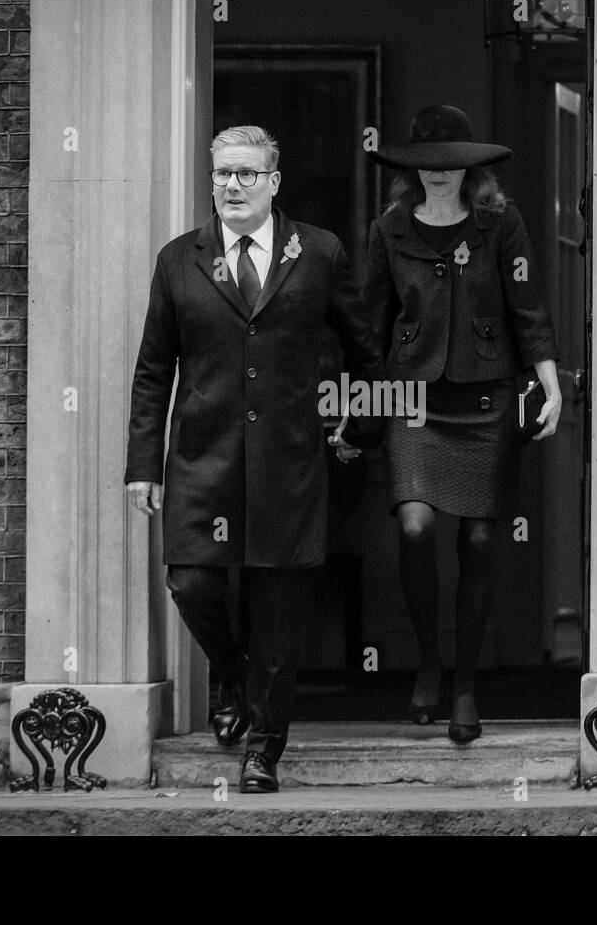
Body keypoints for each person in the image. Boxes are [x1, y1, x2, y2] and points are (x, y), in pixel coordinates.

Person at [124, 125, 384, 792]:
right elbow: (154, 369)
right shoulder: (180, 260)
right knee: (193, 584)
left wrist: (361, 423)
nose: (232, 186)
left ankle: (263, 749)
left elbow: (365, 349)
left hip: (289, 463)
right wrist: (142, 465)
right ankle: (231, 673)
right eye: (222, 175)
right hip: (200, 460)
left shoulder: (318, 252)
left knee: (280, 607)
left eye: (246, 174)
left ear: (273, 181)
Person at [364, 105, 561, 743]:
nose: (440, 175)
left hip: (488, 398)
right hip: (412, 398)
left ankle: (467, 686)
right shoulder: (389, 227)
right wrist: (352, 398)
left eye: (451, 164)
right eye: (428, 165)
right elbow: (370, 319)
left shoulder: (500, 221)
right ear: (410, 168)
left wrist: (550, 380)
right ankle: (427, 660)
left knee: (478, 542)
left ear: (470, 165)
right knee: (416, 528)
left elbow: (527, 305)